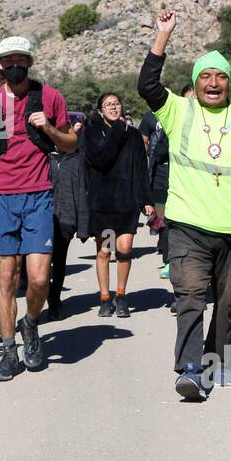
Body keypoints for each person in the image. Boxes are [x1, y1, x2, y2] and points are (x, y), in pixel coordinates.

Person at [137, 10, 231, 399]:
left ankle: (214, 359)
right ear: (196, 83)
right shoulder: (178, 111)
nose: (213, 83)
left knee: (229, 300)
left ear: (229, 84)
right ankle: (188, 367)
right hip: (188, 228)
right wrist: (162, 35)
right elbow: (148, 85)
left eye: (220, 77)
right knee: (190, 295)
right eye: (205, 76)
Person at [0, 36, 76, 381]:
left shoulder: (50, 97)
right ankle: (10, 351)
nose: (15, 66)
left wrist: (49, 128)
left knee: (39, 277)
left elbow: (71, 144)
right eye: (8, 60)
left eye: (21, 59)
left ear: (30, 62)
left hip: (39, 195)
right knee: (6, 277)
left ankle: (31, 322)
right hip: (0, 198)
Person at [81, 92, 150, 317]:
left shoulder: (133, 135)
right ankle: (104, 298)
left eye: (116, 103)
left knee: (125, 250)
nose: (113, 107)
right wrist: (118, 130)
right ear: (101, 111)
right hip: (103, 203)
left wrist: (145, 200)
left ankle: (121, 295)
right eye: (108, 105)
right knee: (104, 251)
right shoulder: (92, 132)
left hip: (126, 202)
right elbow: (101, 159)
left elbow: (141, 169)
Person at [48, 112, 89, 321]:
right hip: (42, 220)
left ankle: (53, 301)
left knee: (59, 262)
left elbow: (81, 193)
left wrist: (82, 226)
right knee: (41, 265)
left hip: (66, 220)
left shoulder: (76, 162)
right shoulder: (43, 159)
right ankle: (41, 299)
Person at [138, 108, 171, 280]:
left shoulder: (180, 116)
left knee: (173, 221)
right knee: (162, 219)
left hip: (180, 176)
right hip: (158, 175)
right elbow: (142, 142)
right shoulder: (150, 117)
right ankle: (168, 260)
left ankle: (171, 255)